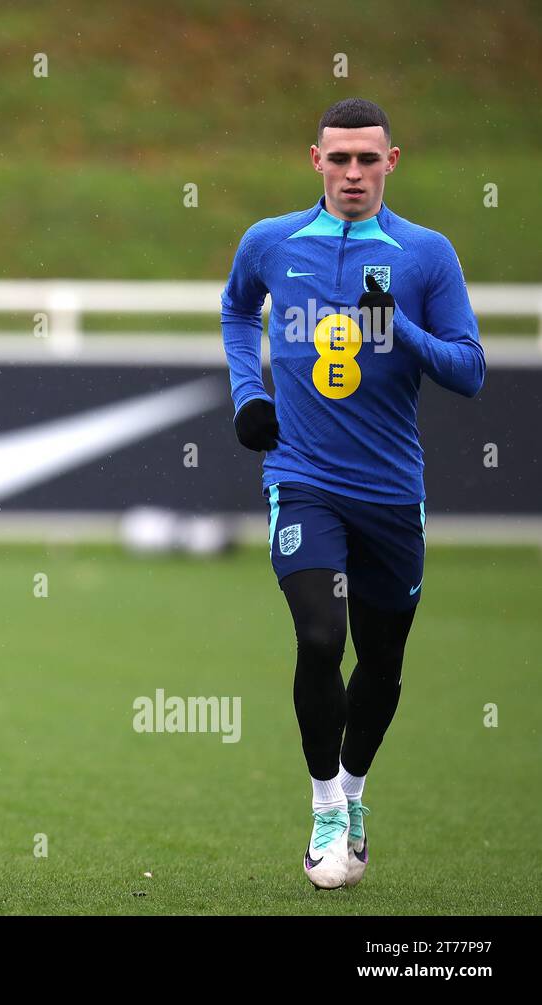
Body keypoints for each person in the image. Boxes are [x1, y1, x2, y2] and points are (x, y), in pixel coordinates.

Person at [220, 98, 484, 890]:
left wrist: (397, 328)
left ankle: (357, 790)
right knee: (319, 638)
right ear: (316, 161)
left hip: (392, 494)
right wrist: (247, 394)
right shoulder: (271, 243)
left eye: (368, 159)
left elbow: (469, 369)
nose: (353, 173)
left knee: (383, 660)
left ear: (391, 164)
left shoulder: (426, 255)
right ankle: (325, 804)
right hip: (302, 480)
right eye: (339, 159)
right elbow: (237, 309)